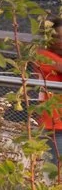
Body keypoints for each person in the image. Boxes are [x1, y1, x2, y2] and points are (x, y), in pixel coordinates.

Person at [34, 17, 62, 169]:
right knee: (58, 172)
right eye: (58, 37)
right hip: (55, 126)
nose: (61, 41)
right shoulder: (43, 56)